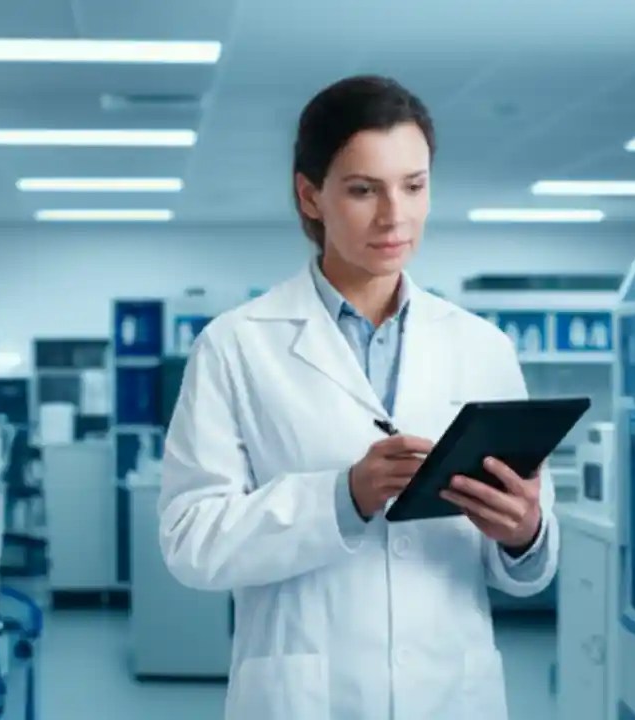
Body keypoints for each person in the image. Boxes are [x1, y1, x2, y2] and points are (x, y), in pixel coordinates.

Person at [158, 75, 558, 720]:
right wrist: (341, 499)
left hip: (451, 691)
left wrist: (524, 533)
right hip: (306, 697)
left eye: (414, 185)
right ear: (309, 195)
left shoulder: (483, 348)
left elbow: (523, 567)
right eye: (363, 189)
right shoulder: (235, 345)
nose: (394, 215)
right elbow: (189, 541)